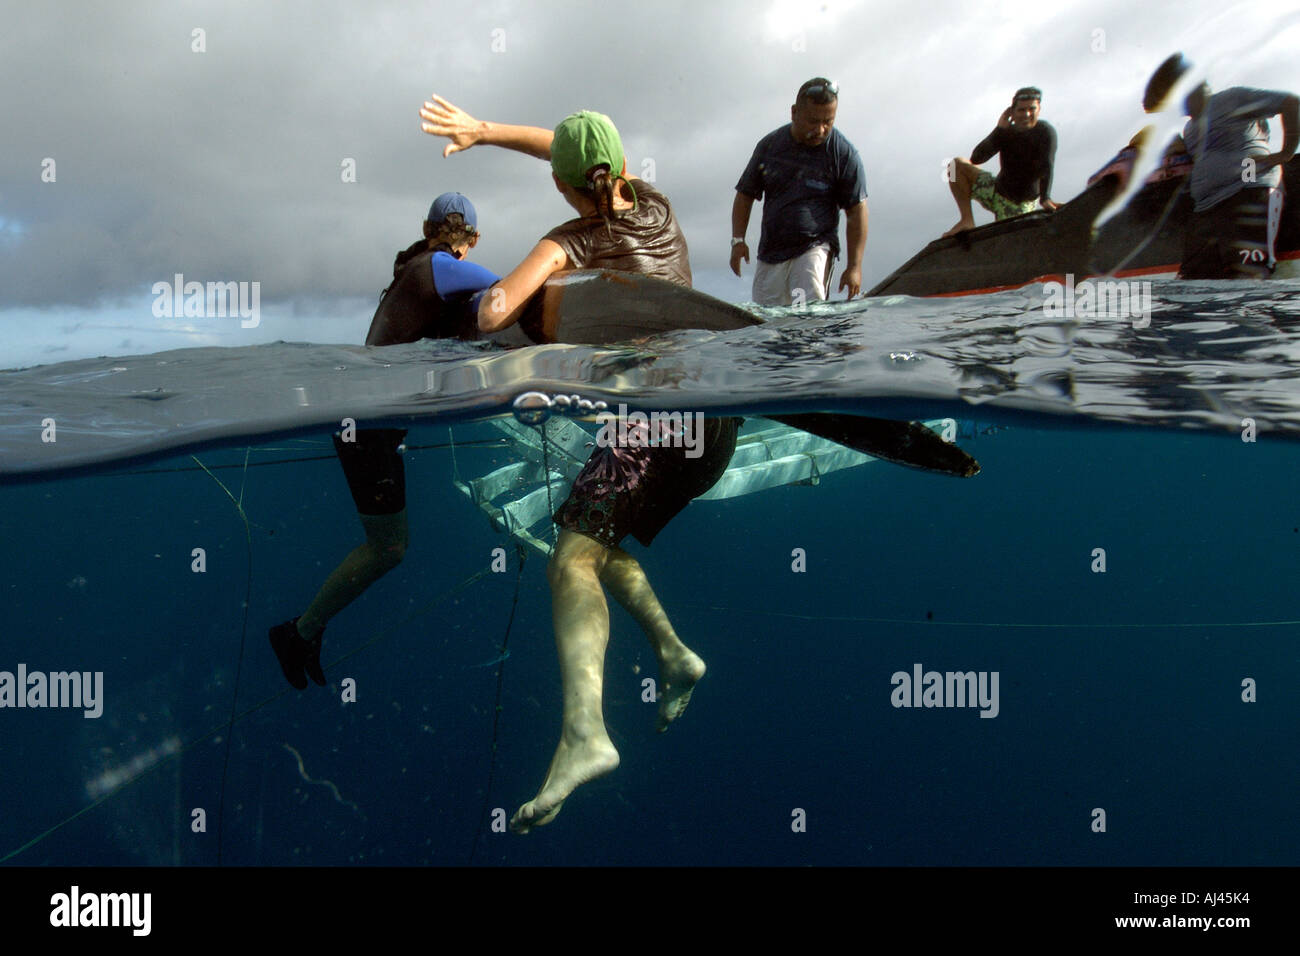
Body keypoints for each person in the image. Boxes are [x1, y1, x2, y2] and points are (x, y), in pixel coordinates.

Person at [420, 95, 740, 833]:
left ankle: (585, 737)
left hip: (654, 426)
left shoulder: (569, 239)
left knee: (568, 563)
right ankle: (674, 653)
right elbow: (573, 156)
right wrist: (489, 132)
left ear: (563, 186)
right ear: (621, 168)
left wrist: (484, 306)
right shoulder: (656, 204)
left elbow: (496, 309)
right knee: (597, 546)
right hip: (717, 419)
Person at [268, 193, 500, 690]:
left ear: (426, 226)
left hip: (367, 425)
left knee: (389, 546)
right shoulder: (435, 269)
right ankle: (298, 631)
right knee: (389, 548)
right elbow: (508, 291)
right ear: (473, 240)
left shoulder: (413, 269)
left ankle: (302, 631)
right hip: (369, 431)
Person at [730, 77, 869, 304]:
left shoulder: (843, 153)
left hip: (815, 247)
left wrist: (854, 267)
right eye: (813, 121)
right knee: (768, 326)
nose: (821, 129)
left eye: (828, 122)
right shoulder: (769, 146)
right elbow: (745, 195)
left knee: (808, 321)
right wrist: (738, 241)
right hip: (770, 253)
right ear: (794, 113)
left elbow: (857, 210)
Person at [1173, 62, 1298, 279]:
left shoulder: (1230, 98)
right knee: (1192, 281)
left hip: (1247, 190)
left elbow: (1290, 102)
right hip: (1206, 208)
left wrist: (1285, 153)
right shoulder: (1189, 128)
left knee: (1247, 274)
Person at [943, 87, 1058, 237]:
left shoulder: (1045, 132)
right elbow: (976, 158)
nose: (1027, 114)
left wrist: (1046, 198)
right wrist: (999, 130)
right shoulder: (1005, 132)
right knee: (954, 165)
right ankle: (967, 220)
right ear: (1012, 113)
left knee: (1009, 239)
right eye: (1021, 110)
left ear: (1039, 109)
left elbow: (1047, 165)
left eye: (1032, 109)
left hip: (1017, 205)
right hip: (996, 190)